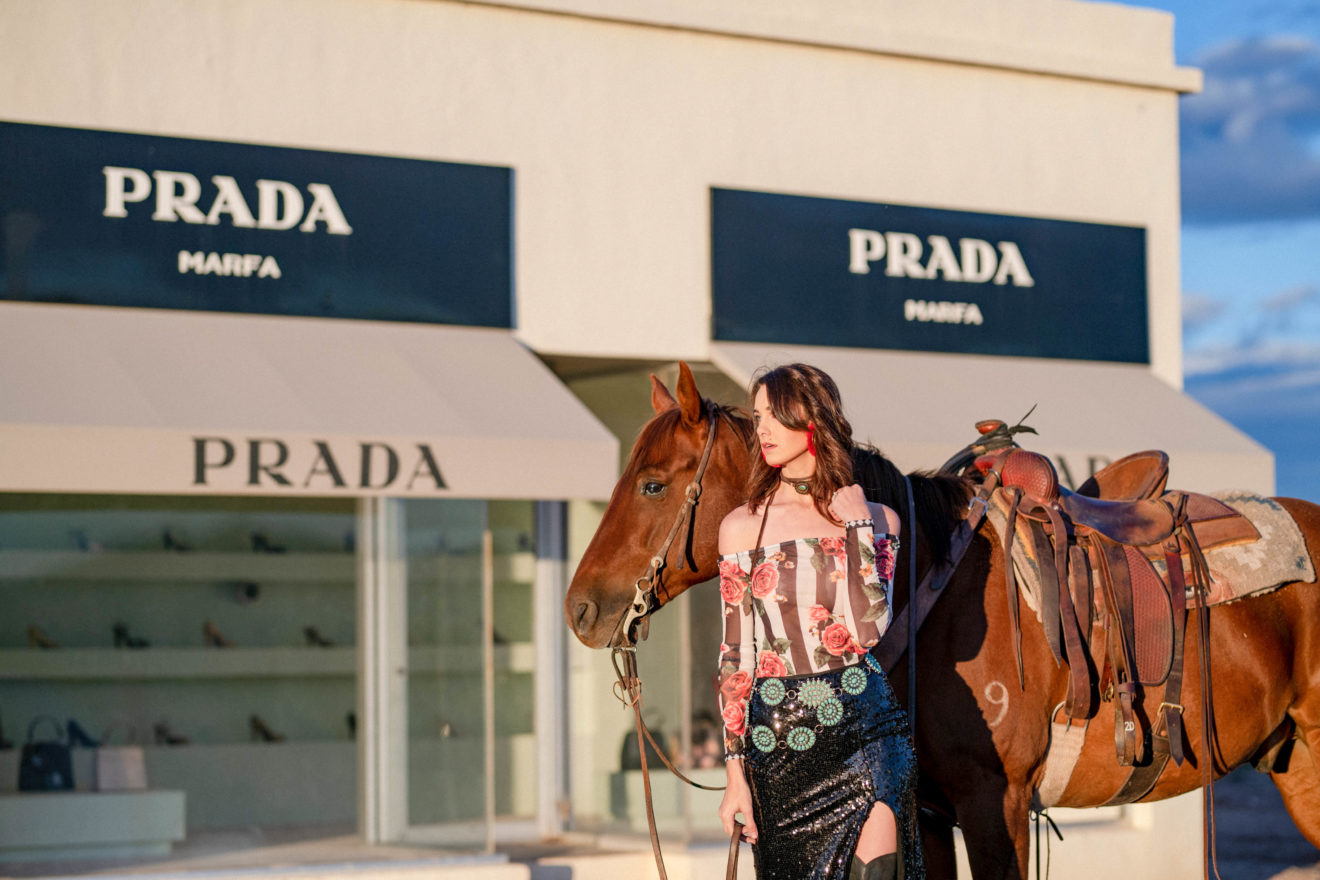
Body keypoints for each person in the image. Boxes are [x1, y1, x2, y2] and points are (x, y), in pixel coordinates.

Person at [715, 363, 922, 880]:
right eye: (757, 416)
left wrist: (855, 526)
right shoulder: (742, 527)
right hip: (778, 748)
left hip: (867, 732)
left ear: (812, 419)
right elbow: (735, 657)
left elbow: (867, 632)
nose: (760, 429)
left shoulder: (878, 520)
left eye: (773, 415)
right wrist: (734, 774)